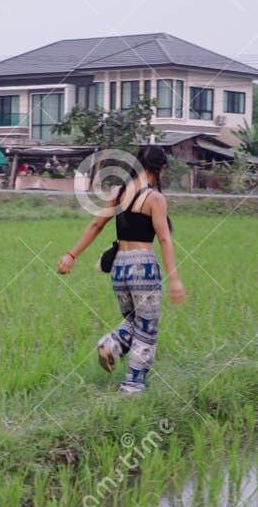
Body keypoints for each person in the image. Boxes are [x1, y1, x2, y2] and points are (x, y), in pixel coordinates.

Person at [56, 144, 186, 393]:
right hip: (143, 268)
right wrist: (175, 279)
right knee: (146, 330)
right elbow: (165, 239)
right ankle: (132, 385)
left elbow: (96, 225)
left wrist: (71, 255)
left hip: (119, 268)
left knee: (133, 320)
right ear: (162, 169)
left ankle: (113, 344)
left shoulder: (119, 192)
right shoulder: (155, 199)